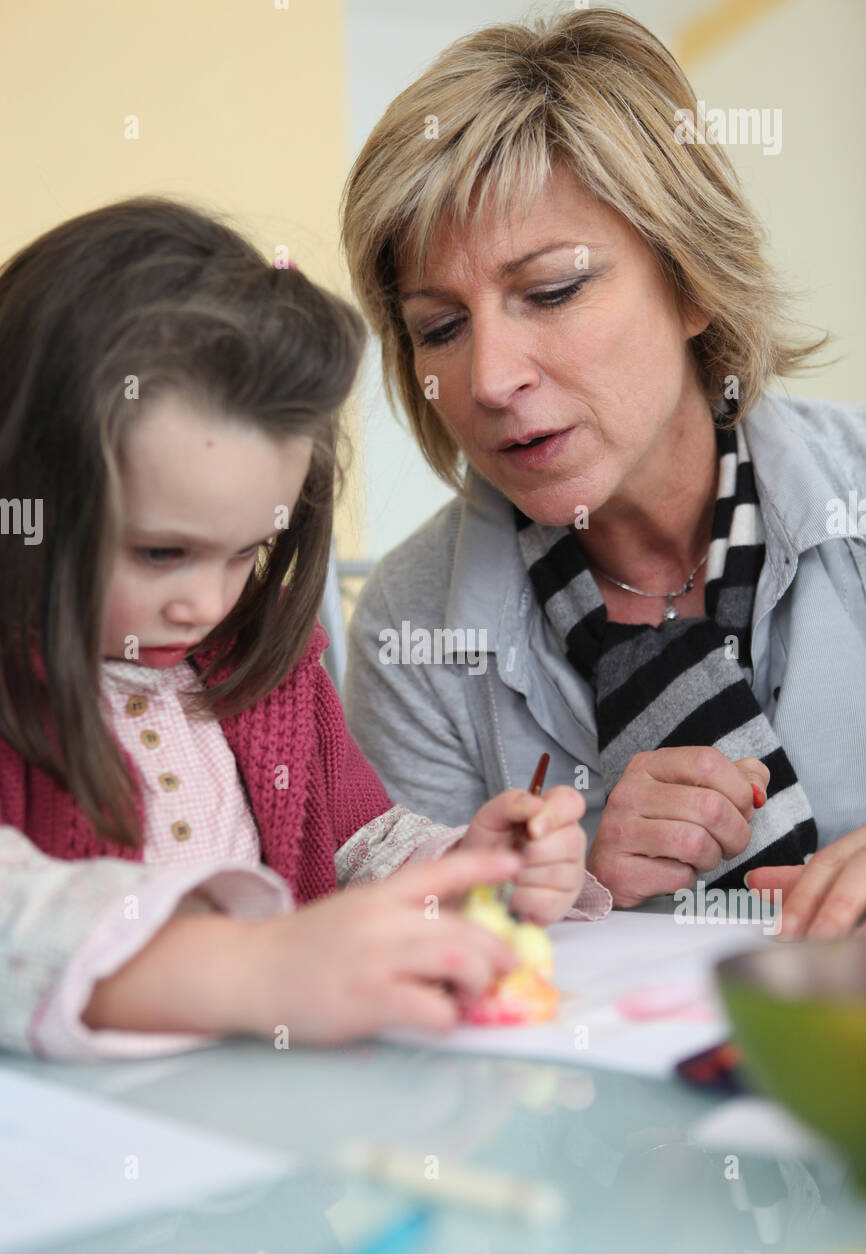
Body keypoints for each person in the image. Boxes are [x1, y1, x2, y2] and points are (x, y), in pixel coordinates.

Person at [0, 197, 608, 1062]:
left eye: (245, 551)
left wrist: (469, 873)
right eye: (162, 551)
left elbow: (358, 847)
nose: (206, 603)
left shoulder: (261, 671)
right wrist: (251, 968)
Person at [341, 7, 866, 934]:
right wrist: (580, 890)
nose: (492, 379)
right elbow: (418, 958)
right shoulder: (409, 626)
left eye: (552, 292)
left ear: (694, 278)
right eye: (441, 328)